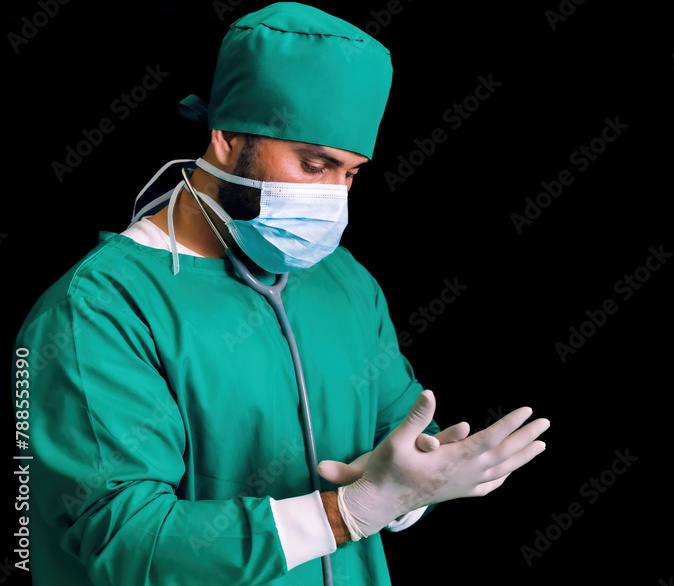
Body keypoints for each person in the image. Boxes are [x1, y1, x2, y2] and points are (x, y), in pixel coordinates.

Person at [13, 3, 548, 584]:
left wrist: (421, 481)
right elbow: (118, 538)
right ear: (226, 138)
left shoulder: (344, 283)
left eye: (350, 174)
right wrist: (349, 511)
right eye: (314, 165)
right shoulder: (100, 306)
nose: (333, 197)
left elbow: (396, 441)